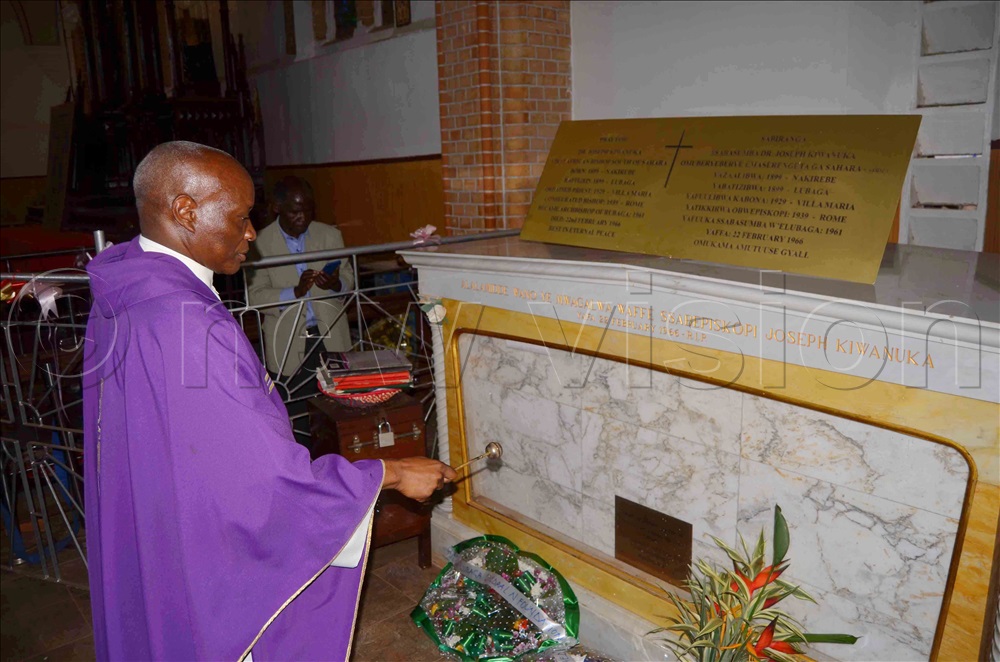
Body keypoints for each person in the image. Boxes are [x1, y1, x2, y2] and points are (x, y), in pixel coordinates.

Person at [82, 141, 457, 660]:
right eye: (239, 217)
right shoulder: (186, 322)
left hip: (158, 520)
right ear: (185, 211)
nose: (252, 233)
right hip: (205, 556)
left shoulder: (126, 285)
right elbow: (267, 486)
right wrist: (391, 473)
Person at [248, 176, 353, 443]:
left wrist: (336, 283)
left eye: (308, 209)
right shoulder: (257, 243)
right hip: (287, 340)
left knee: (340, 411)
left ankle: (341, 469)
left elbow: (350, 282)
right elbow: (255, 297)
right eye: (295, 210)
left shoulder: (330, 235)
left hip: (330, 334)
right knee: (296, 416)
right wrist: (293, 293)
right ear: (276, 208)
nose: (302, 216)